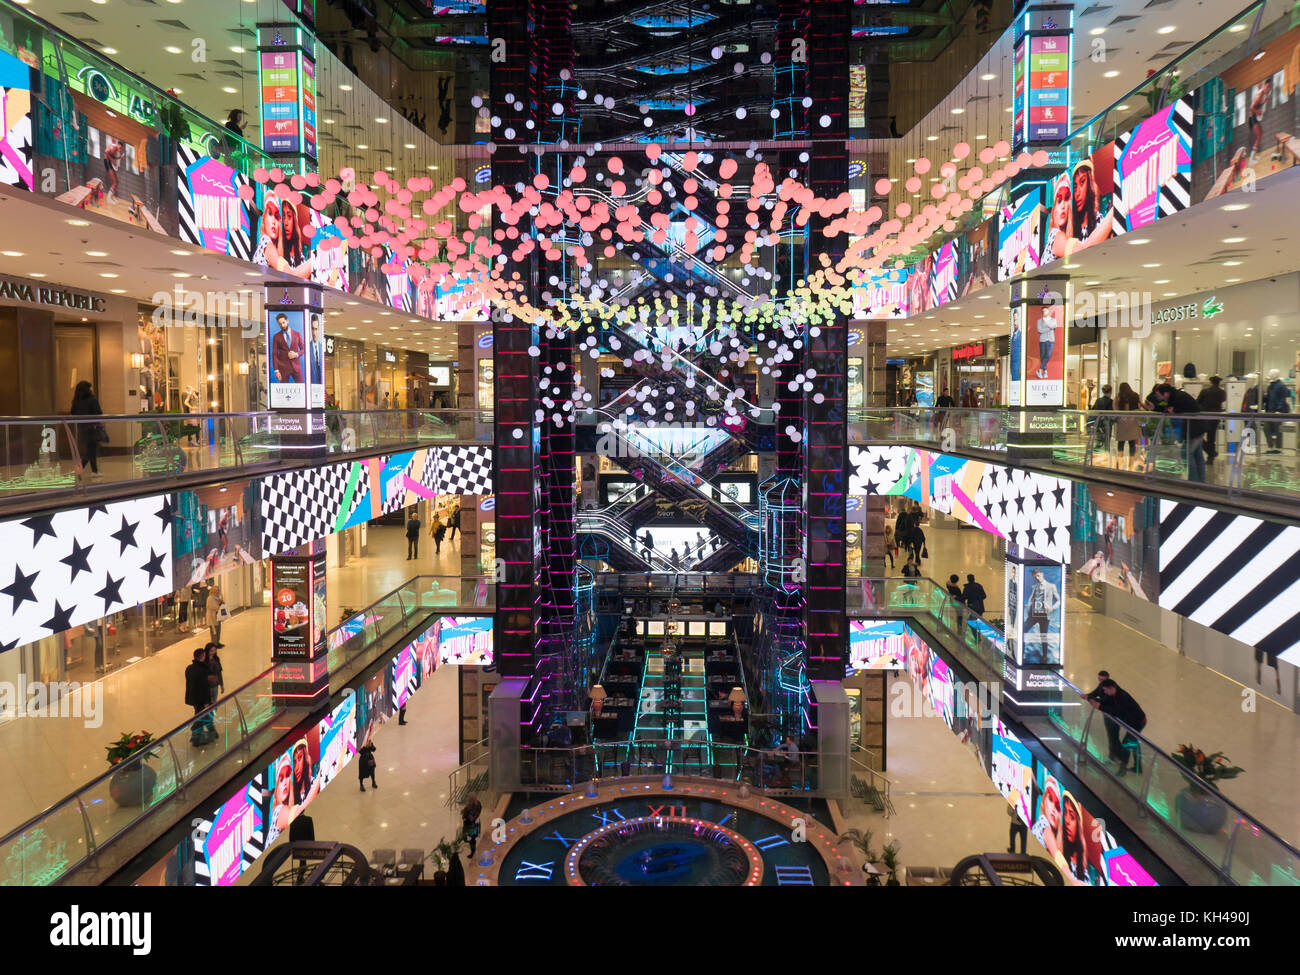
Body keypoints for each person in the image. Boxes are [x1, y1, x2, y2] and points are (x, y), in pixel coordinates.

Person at [1149, 383, 1207, 481]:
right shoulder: (1176, 396)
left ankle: (1194, 480)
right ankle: (1199, 480)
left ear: (1166, 394)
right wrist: (1154, 408)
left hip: (1195, 429)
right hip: (1197, 428)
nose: (1158, 397)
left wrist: (1174, 411)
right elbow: (1169, 410)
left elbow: (1175, 410)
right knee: (1197, 454)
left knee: (1186, 453)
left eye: (1159, 395)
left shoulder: (1177, 398)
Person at [1089, 679, 1146, 775]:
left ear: (1112, 688)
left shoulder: (1123, 697)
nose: (1104, 692)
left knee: (1126, 744)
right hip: (1131, 722)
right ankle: (1138, 767)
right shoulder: (1113, 694)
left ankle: (1122, 770)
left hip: (1137, 723)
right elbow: (1104, 701)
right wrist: (1091, 699)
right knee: (1133, 742)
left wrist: (1100, 707)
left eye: (1106, 690)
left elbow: (1117, 711)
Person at [70, 380, 106, 480]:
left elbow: (72, 413)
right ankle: (79, 469)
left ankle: (94, 471)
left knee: (91, 450)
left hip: (82, 429)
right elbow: (98, 413)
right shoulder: (92, 400)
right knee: (90, 451)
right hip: (93, 428)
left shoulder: (76, 401)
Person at [1024, 568, 1060, 664]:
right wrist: (1028, 606)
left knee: (1043, 636)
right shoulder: (1035, 587)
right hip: (1034, 614)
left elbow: (1059, 600)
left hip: (1044, 615)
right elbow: (1031, 598)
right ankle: (1021, 650)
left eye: (1038, 575)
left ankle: (1044, 656)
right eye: (1035, 577)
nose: (1037, 578)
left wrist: (1052, 608)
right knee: (1023, 629)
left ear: (1042, 574)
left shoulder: (1051, 586)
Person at [1197, 376, 1227, 462]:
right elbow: (1223, 401)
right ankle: (1211, 456)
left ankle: (1211, 452)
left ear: (1211, 382)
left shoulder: (1205, 391)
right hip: (1216, 417)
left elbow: (1198, 402)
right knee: (1211, 437)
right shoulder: (1222, 392)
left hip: (1205, 416)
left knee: (1198, 436)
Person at [1115, 383, 1144, 470]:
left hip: (1122, 421)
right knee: (1132, 443)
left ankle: (1120, 462)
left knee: (1121, 442)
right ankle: (1131, 464)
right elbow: (1140, 405)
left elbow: (1115, 408)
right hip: (1133, 421)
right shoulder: (1135, 395)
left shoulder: (1119, 397)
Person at [271, 313, 305, 385]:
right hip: (283, 368)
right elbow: (274, 354)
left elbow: (304, 349)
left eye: (283, 323)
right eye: (280, 324)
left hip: (296, 367)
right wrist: (276, 370)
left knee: (301, 389)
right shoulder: (276, 336)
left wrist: (296, 354)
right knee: (283, 392)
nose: (282, 325)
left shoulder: (297, 334)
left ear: (287, 321)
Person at [1264, 370, 1291, 453]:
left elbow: (1283, 399)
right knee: (1266, 428)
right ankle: (1271, 446)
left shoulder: (1281, 386)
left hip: (1277, 412)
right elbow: (1268, 399)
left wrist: (1279, 410)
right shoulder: (1270, 386)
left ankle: (1278, 448)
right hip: (1269, 412)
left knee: (1277, 430)